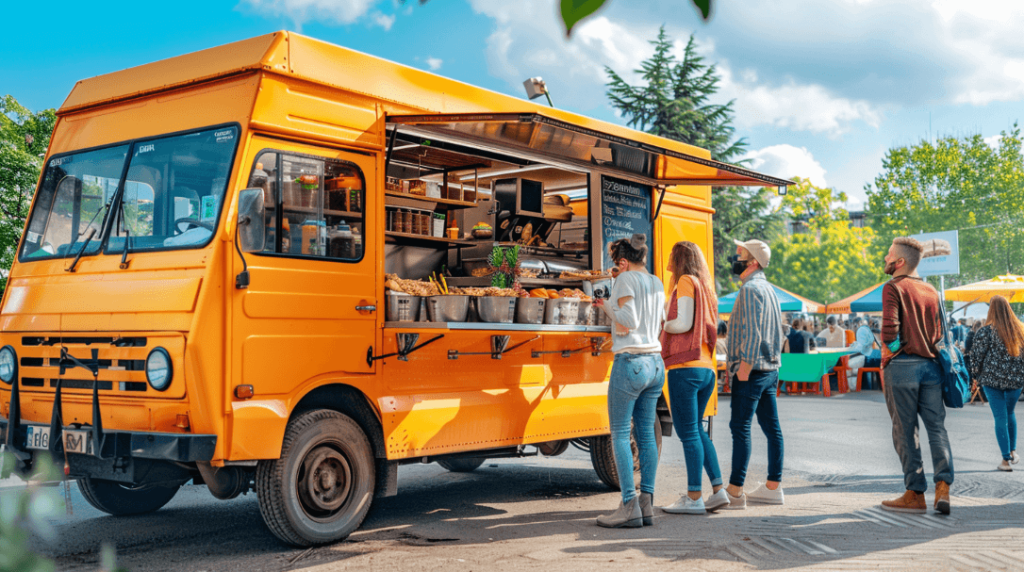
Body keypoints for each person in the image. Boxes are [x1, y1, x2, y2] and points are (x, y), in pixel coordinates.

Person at [594, 234, 666, 528]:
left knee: (621, 434)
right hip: (655, 363)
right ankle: (646, 503)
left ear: (623, 262)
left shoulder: (625, 280)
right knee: (646, 435)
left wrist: (604, 305)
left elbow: (628, 319)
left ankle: (628, 506)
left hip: (631, 362)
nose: (616, 270)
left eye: (616, 265)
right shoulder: (656, 282)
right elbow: (658, 321)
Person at [879, 237, 953, 515]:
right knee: (937, 430)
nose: (885, 258)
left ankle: (915, 493)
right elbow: (940, 332)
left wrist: (893, 352)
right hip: (932, 367)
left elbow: (889, 332)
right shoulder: (931, 290)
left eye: (888, 254)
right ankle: (943, 488)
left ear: (899, 262)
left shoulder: (893, 287)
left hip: (903, 367)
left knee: (905, 431)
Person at [660, 241, 728, 515]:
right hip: (706, 368)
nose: (667, 263)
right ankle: (718, 489)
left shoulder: (686, 281)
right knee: (698, 431)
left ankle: (693, 497)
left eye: (671, 257)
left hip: (684, 368)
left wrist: (660, 322)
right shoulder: (706, 288)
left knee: (688, 433)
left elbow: (683, 323)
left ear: (679, 259)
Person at [725, 238, 785, 508]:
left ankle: (735, 490)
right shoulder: (769, 289)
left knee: (740, 428)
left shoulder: (750, 290)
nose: (735, 258)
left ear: (753, 262)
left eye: (740, 254)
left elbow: (753, 333)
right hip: (770, 368)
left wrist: (744, 370)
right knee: (772, 429)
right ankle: (773, 486)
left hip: (753, 368)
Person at [968, 295, 1024, 472]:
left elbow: (976, 357)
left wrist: (975, 376)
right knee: (1010, 413)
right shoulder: (1020, 329)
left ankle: (1005, 460)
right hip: (1016, 380)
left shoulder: (985, 331)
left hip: (992, 381)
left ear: (991, 309)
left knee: (1000, 417)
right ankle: (1013, 451)